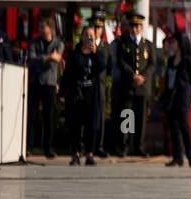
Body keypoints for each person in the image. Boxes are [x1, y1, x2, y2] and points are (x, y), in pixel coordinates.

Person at [112, 12, 154, 157]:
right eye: (132, 25)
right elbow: (121, 62)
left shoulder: (147, 44)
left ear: (141, 27)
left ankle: (138, 146)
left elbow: (152, 64)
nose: (135, 29)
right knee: (127, 116)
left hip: (142, 87)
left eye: (137, 26)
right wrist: (133, 76)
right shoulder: (123, 43)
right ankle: (123, 146)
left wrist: (143, 77)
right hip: (128, 85)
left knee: (140, 119)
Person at [60, 27, 103, 166]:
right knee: (76, 126)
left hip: (91, 96)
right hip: (77, 95)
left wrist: (95, 53)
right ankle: (76, 154)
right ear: (82, 37)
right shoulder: (74, 54)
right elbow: (67, 75)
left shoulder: (97, 53)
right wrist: (62, 92)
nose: (89, 38)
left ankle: (90, 154)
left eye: (92, 36)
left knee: (91, 127)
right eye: (87, 35)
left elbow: (102, 67)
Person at [27, 17, 64, 159]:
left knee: (49, 117)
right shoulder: (34, 42)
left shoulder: (58, 43)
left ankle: (48, 147)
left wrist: (42, 58)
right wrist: (49, 57)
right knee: (32, 115)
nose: (41, 30)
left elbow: (58, 57)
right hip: (36, 82)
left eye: (43, 27)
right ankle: (29, 146)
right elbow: (32, 59)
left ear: (50, 28)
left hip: (49, 83)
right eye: (40, 27)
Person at [161, 33, 191, 168]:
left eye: (174, 42)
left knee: (184, 126)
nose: (172, 44)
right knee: (173, 127)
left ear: (180, 44)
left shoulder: (188, 60)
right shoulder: (171, 60)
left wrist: (190, 92)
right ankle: (177, 157)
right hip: (171, 97)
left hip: (182, 97)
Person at [89, 12, 112, 158]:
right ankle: (87, 145)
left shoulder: (105, 46)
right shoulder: (85, 43)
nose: (97, 31)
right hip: (87, 85)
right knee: (87, 116)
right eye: (95, 27)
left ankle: (99, 145)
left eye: (100, 28)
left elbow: (108, 66)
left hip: (101, 85)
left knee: (100, 117)